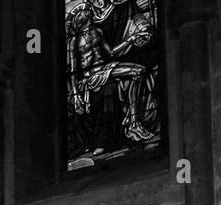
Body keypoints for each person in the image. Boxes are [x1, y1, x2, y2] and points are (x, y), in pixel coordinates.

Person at [67, 0, 160, 149]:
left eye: (86, 11)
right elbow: (72, 71)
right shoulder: (73, 41)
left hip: (106, 68)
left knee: (139, 71)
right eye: (82, 12)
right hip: (91, 77)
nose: (86, 12)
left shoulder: (98, 32)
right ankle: (131, 124)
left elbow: (111, 53)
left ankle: (133, 122)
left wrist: (130, 40)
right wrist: (77, 95)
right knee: (127, 78)